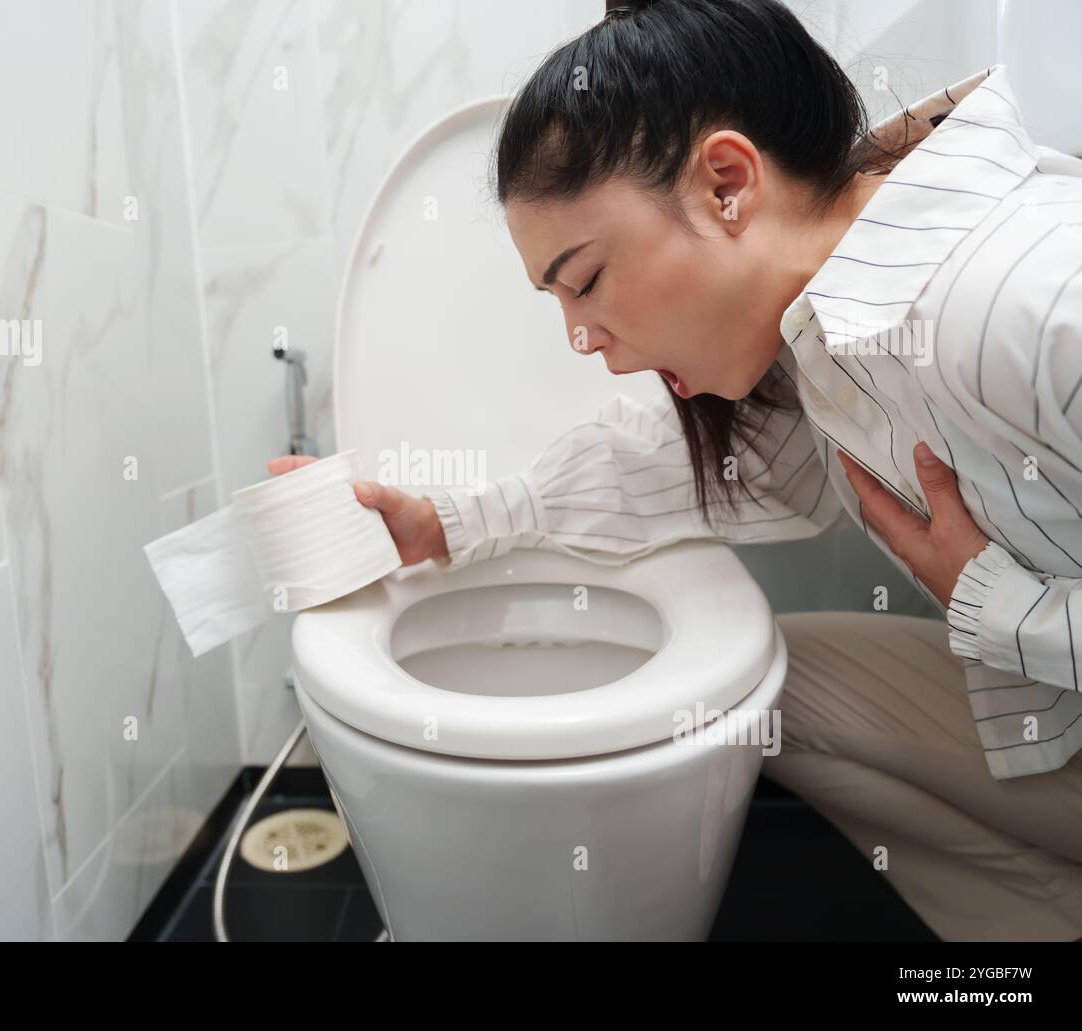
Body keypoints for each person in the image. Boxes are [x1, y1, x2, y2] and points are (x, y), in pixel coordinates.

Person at [268, 0, 1082, 940]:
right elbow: (687, 465)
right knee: (760, 697)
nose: (579, 339)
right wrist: (448, 522)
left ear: (727, 184)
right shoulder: (839, 320)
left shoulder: (1031, 300)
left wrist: (997, 605)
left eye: (584, 280)